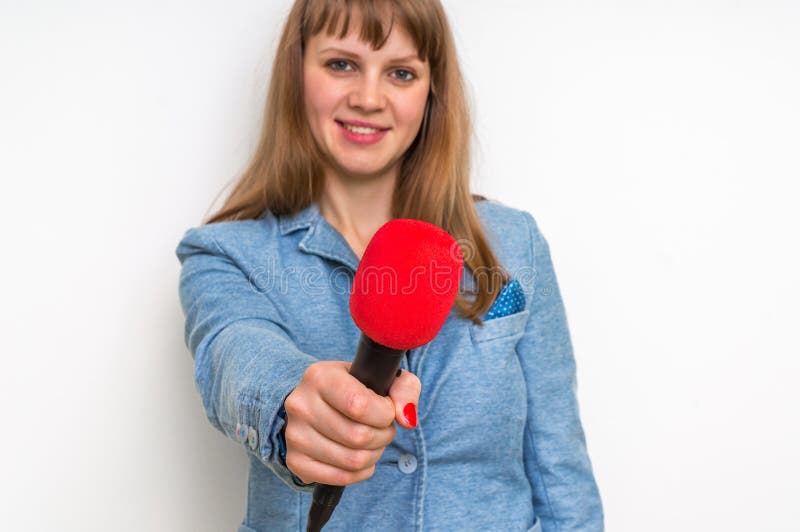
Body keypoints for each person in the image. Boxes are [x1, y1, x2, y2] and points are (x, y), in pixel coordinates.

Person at [175, 0, 604, 530]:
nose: (368, 98)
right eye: (341, 64)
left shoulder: (515, 242)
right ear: (297, 72)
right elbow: (234, 352)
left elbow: (558, 462)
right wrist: (290, 401)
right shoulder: (223, 254)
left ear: (431, 93)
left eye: (400, 72)